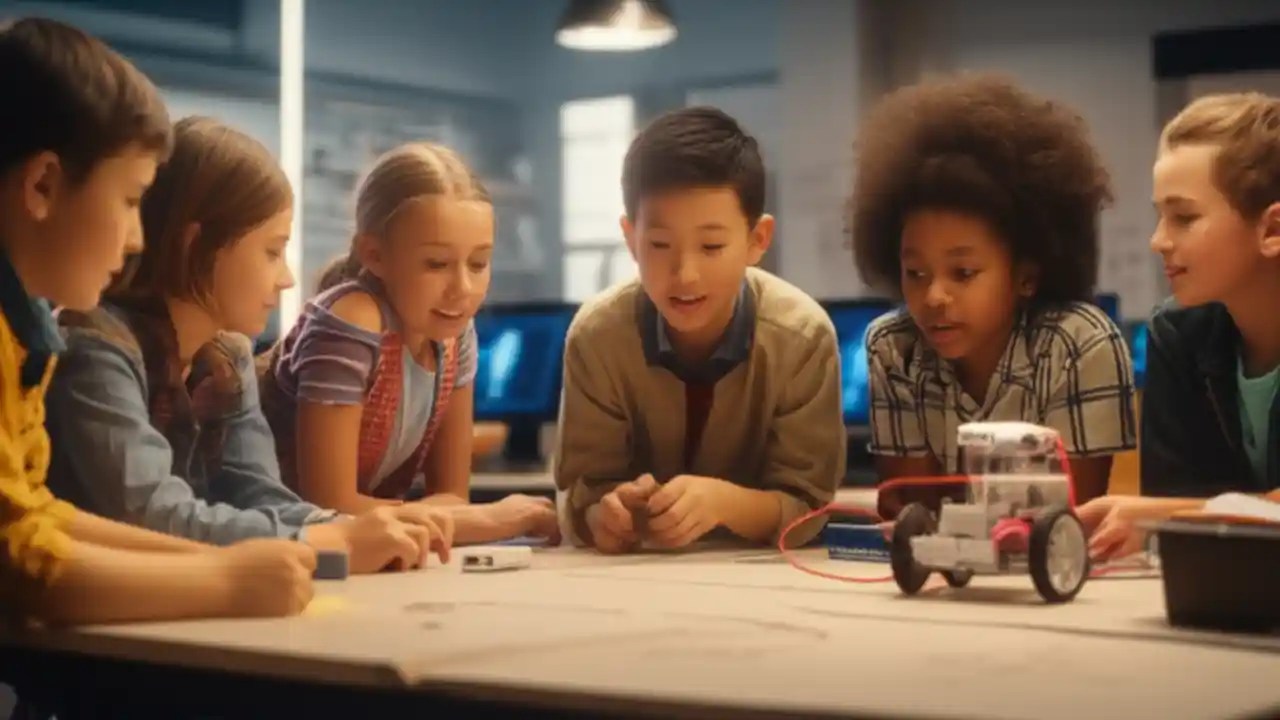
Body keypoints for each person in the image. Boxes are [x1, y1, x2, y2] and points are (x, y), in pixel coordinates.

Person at [0, 17, 313, 627]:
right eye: (128, 200)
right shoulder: (73, 340)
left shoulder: (22, 334)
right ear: (42, 185)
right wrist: (222, 580)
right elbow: (16, 563)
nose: (140, 236)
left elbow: (34, 513)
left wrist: (240, 558)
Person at [45, 117, 453, 575]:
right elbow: (153, 516)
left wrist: (356, 528)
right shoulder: (96, 348)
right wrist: (321, 540)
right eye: (272, 251)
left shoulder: (227, 357)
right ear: (197, 247)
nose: (288, 278)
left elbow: (258, 493)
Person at [555, 106, 845, 554]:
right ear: (631, 239)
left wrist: (725, 503)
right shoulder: (598, 338)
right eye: (659, 245)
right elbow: (582, 495)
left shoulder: (801, 338)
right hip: (630, 584)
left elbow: (809, 507)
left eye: (711, 246)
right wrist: (605, 515)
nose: (685, 273)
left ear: (757, 240)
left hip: (764, 585)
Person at [851, 74, 1136, 517]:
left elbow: (1075, 522)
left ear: (1026, 274)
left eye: (963, 273)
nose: (934, 296)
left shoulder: (1079, 347)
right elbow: (913, 514)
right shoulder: (893, 350)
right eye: (915, 272)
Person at [260, 142, 558, 545]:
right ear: (375, 255)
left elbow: (452, 496)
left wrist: (464, 517)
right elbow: (326, 504)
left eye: (478, 263)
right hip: (264, 541)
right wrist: (487, 520)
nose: (463, 289)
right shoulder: (351, 320)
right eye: (436, 264)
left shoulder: (453, 336)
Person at [1077, 92, 1280, 561]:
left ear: (1271, 230)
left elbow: (1170, 512)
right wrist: (1167, 515)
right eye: (1159, 217)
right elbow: (1180, 515)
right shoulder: (1176, 334)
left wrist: (1161, 516)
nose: (1157, 241)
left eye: (1183, 217)